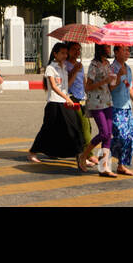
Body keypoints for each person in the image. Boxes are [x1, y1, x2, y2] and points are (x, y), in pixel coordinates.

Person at [28, 42, 87, 172]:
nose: (65, 55)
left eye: (66, 53)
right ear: (55, 54)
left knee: (74, 128)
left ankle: (79, 155)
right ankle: (33, 152)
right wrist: (66, 98)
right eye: (62, 53)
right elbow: (54, 87)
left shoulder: (64, 67)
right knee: (47, 129)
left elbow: (67, 85)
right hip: (54, 103)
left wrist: (76, 71)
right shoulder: (50, 68)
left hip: (65, 102)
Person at [109, 44, 133, 176]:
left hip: (127, 107)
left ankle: (121, 165)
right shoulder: (112, 68)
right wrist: (118, 76)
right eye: (124, 50)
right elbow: (110, 88)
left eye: (128, 50)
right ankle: (105, 152)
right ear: (116, 52)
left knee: (129, 137)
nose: (127, 53)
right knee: (121, 136)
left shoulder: (128, 69)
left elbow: (129, 87)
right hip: (115, 107)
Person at [84, 43, 117, 177]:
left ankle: (104, 168)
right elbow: (88, 87)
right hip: (96, 103)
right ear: (101, 49)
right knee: (103, 133)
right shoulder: (94, 65)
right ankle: (84, 154)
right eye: (107, 47)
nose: (110, 49)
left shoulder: (108, 63)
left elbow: (111, 87)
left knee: (108, 134)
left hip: (108, 101)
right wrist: (104, 81)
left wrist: (117, 79)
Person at [64, 42, 93, 164]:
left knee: (88, 127)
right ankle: (88, 155)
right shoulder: (65, 65)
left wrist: (89, 94)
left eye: (79, 50)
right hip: (72, 98)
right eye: (74, 49)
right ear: (68, 51)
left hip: (82, 98)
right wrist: (74, 71)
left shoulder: (80, 65)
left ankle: (80, 152)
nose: (77, 52)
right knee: (84, 126)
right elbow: (66, 85)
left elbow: (84, 82)